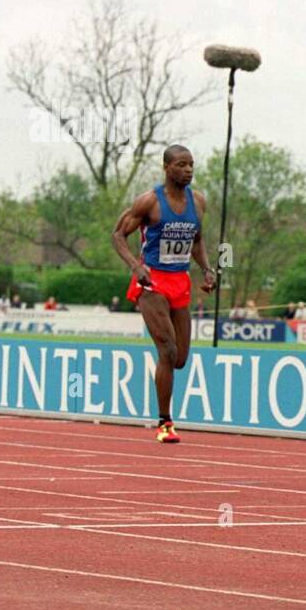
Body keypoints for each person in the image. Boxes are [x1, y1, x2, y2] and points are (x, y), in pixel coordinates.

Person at [112, 144, 215, 444]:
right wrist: (135, 266)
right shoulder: (149, 202)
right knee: (167, 351)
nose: (189, 170)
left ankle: (163, 397)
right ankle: (164, 422)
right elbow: (118, 235)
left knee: (180, 358)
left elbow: (197, 241)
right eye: (182, 164)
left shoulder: (199, 202)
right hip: (152, 280)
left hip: (179, 279)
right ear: (167, 167)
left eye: (192, 164)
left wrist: (207, 270)